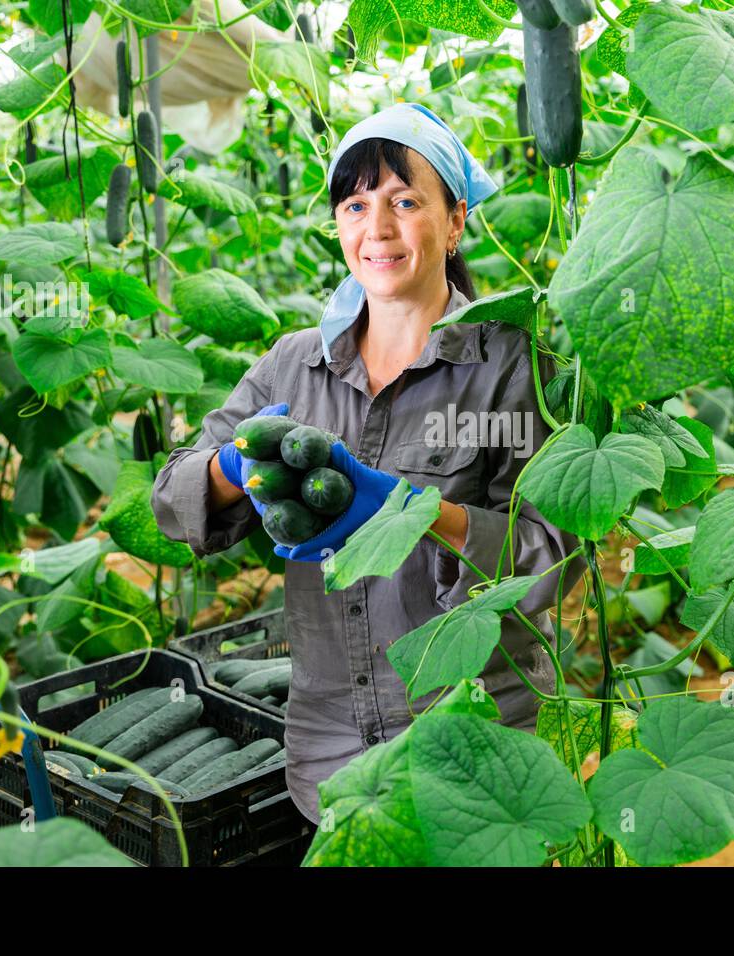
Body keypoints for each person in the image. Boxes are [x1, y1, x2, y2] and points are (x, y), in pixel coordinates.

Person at [151, 102, 587, 825]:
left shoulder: (515, 366)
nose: (377, 228)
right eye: (355, 205)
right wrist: (235, 466)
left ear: (455, 223)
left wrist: (414, 514)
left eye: (405, 201)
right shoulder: (291, 366)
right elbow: (170, 497)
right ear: (338, 228)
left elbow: (551, 557)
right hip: (333, 744)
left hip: (476, 737)